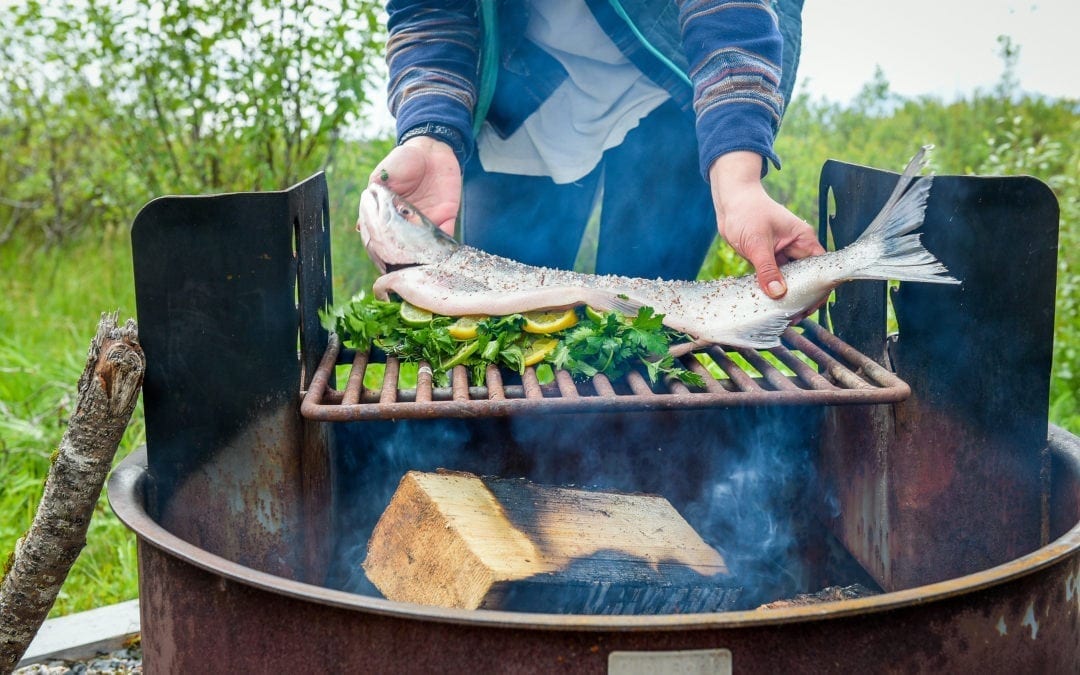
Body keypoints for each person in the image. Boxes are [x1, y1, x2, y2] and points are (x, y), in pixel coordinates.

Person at [370, 0, 824, 297]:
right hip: (524, 78)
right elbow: (429, 10)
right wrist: (430, 132)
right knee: (498, 328)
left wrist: (739, 181)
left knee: (644, 325)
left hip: (676, 72)